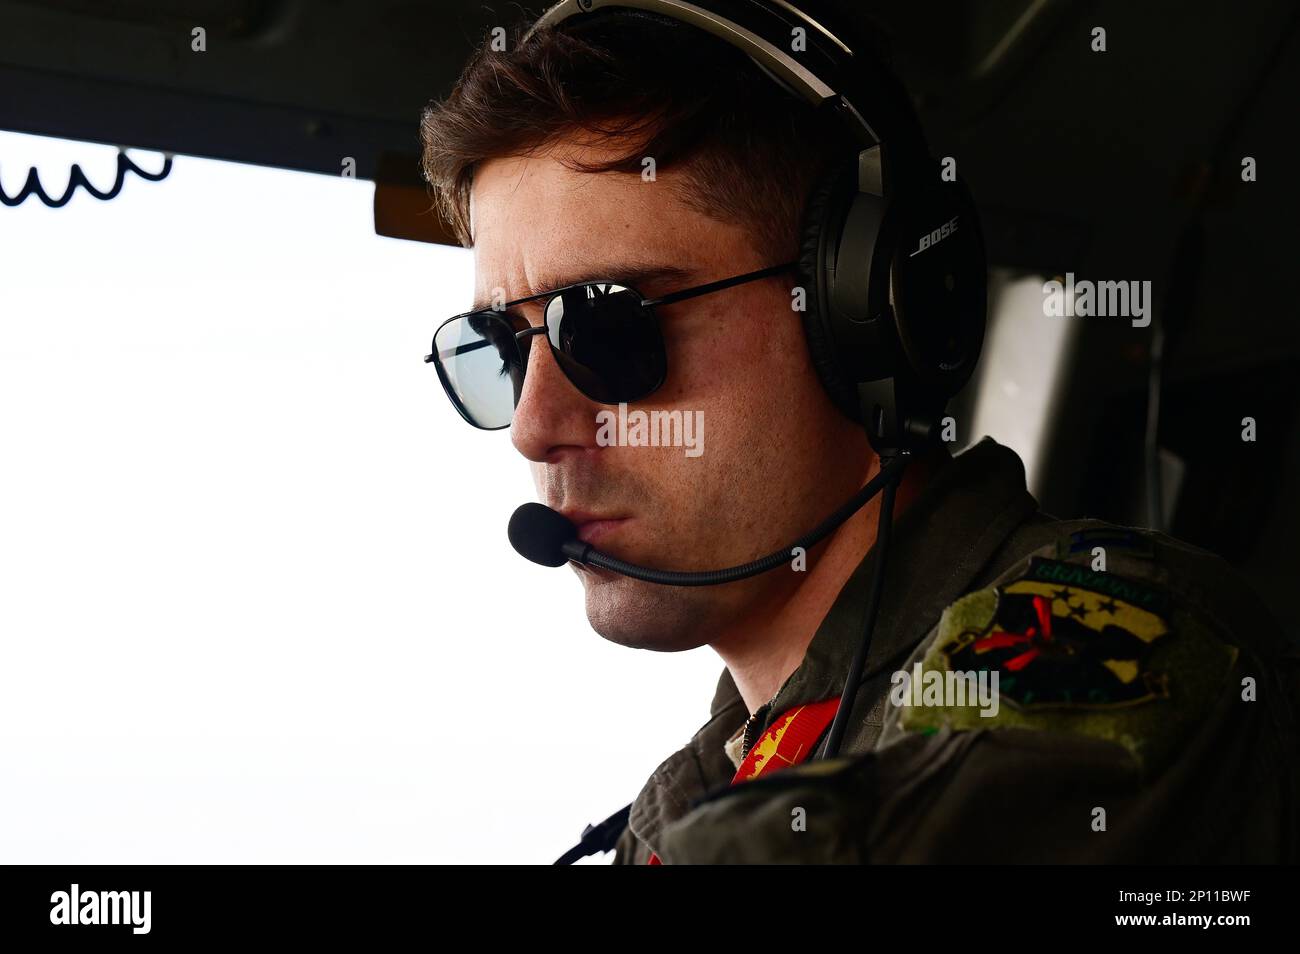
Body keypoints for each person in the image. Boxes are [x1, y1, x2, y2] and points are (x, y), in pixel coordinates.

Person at [418, 1, 1299, 863]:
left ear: (864, 312)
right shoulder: (691, 799)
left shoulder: (1138, 633)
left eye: (606, 327)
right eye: (494, 347)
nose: (534, 427)